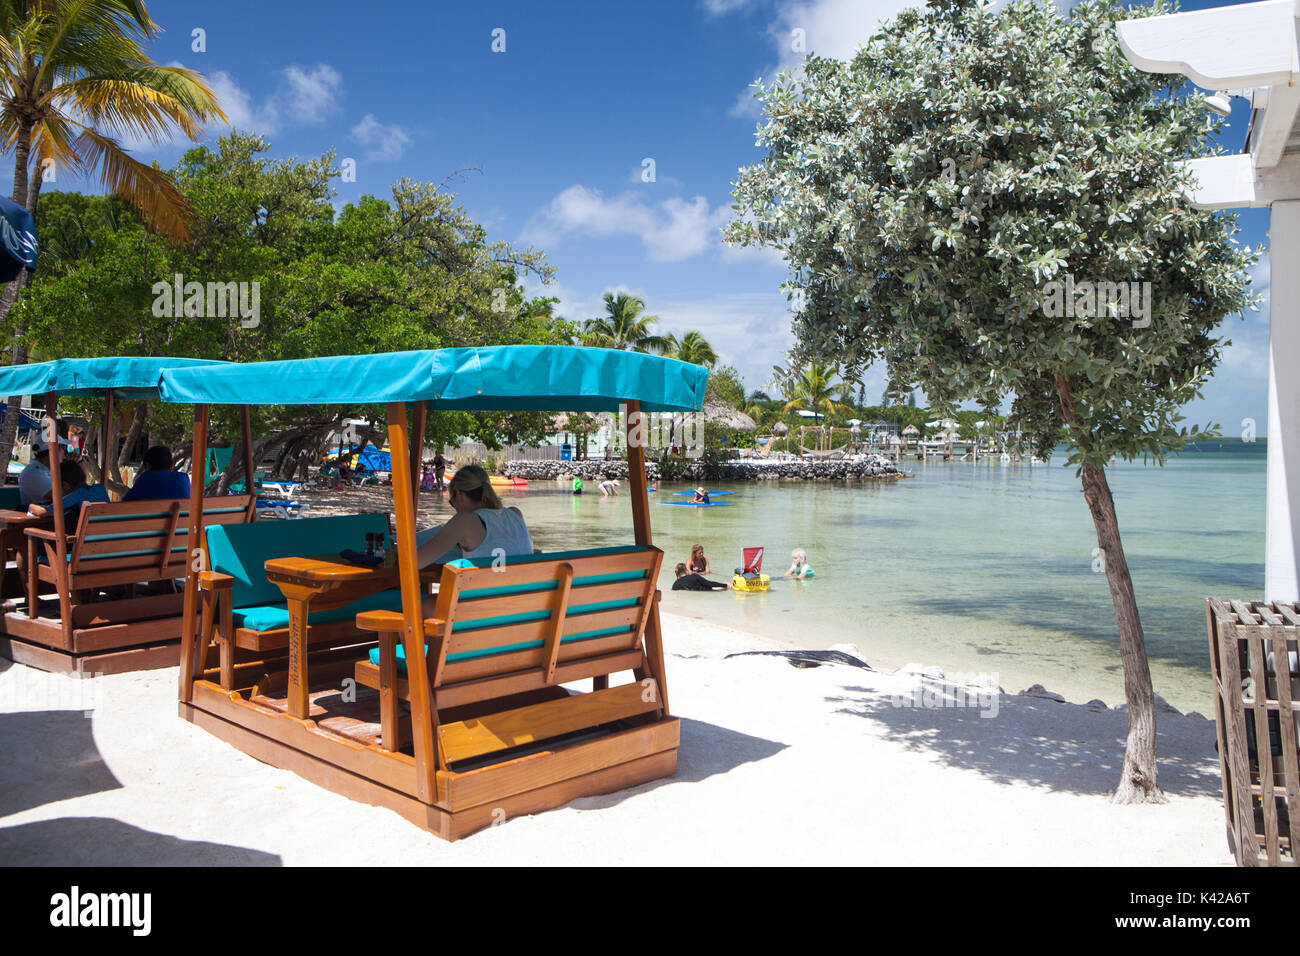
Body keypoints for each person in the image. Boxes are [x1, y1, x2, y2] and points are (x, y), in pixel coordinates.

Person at [416, 464, 533, 568]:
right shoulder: (515, 514)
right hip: (524, 591)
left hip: (485, 592)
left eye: (452, 503)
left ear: (459, 495)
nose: (455, 509)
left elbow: (413, 563)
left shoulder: (465, 521)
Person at [29, 458, 109, 517]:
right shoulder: (100, 488)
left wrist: (31, 506)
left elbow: (44, 512)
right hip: (107, 537)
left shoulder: (77, 495)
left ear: (66, 485)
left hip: (87, 539)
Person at [123, 446, 191, 501]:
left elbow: (125, 504)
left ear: (148, 465)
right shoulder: (184, 478)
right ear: (171, 466)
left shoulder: (147, 478)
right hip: (183, 518)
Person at [18, 436, 51, 507]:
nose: (65, 454)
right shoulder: (34, 472)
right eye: (62, 449)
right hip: (38, 515)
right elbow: (59, 495)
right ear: (51, 454)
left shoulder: (44, 470)